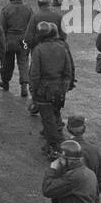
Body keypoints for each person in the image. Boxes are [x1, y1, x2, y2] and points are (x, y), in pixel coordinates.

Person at [29, 21, 73, 158]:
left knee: (48, 120)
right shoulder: (62, 48)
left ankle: (56, 147)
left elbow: (34, 74)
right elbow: (68, 71)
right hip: (59, 90)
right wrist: (64, 87)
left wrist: (33, 91)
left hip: (43, 91)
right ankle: (50, 144)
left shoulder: (38, 50)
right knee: (54, 115)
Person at [0, 0, 32, 98]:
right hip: (23, 39)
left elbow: (2, 28)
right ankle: (24, 86)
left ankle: (5, 82)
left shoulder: (6, 9)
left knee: (7, 62)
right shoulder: (28, 8)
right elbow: (31, 26)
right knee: (23, 62)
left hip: (9, 39)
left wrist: (1, 42)